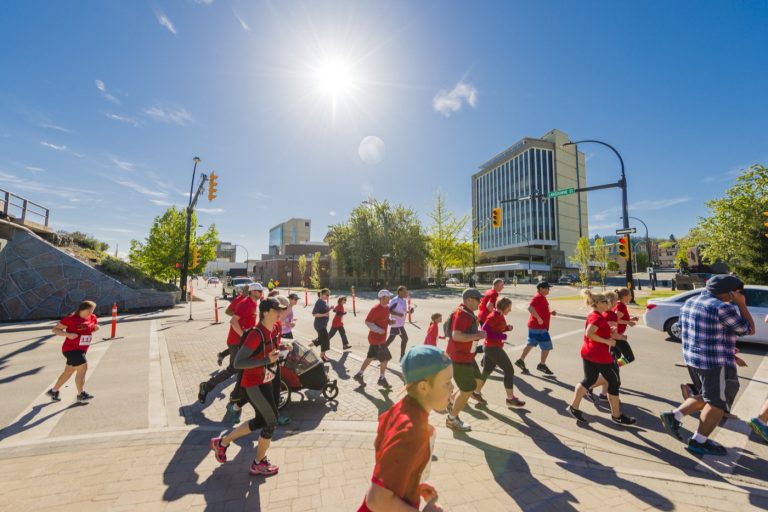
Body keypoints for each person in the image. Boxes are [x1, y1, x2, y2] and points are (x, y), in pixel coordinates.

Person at [659, 275, 754, 455]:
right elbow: (748, 329)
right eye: (737, 293)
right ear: (731, 293)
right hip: (715, 363)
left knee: (708, 396)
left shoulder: (691, 301)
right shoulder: (723, 307)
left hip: (693, 359)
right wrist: (742, 304)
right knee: (717, 403)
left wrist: (727, 348)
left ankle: (675, 416)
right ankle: (698, 441)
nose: (738, 296)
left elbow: (684, 328)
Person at [358, 345, 451, 512]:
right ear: (423, 387)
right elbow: (377, 500)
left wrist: (412, 482)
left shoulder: (400, 408)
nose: (452, 389)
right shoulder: (412, 431)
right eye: (447, 383)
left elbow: (384, 453)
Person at [209, 297, 287, 476]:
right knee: (271, 421)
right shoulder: (255, 334)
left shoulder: (273, 328)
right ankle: (258, 463)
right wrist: (267, 359)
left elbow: (266, 350)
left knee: (261, 421)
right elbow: (238, 363)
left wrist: (280, 349)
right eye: (277, 310)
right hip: (253, 384)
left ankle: (221, 443)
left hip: (266, 380)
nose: (280, 313)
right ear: (266, 312)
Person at [566, 290, 636, 426]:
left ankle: (573, 407)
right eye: (604, 301)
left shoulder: (596, 315)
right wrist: (608, 341)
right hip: (599, 355)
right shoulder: (597, 317)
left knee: (589, 380)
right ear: (597, 303)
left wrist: (611, 333)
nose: (607, 303)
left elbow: (597, 332)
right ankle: (617, 416)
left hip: (588, 352)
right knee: (614, 382)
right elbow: (589, 333)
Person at [199, 282, 263, 404]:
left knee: (243, 369)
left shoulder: (254, 303)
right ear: (253, 291)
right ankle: (206, 386)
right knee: (234, 369)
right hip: (236, 342)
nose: (261, 293)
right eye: (260, 291)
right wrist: (243, 336)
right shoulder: (245, 303)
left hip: (243, 342)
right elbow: (234, 321)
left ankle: (236, 397)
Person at [445, 288, 487, 432]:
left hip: (467, 356)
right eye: (478, 299)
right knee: (467, 390)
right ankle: (452, 420)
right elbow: (456, 336)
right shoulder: (462, 314)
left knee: (478, 380)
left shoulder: (468, 313)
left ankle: (452, 402)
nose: (480, 302)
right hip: (459, 358)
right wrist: (478, 335)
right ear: (469, 300)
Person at [474, 297, 525, 407]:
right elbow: (484, 330)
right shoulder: (494, 316)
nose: (510, 310)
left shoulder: (499, 315)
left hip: (492, 347)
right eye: (509, 308)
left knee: (486, 372)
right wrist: (501, 335)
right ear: (504, 307)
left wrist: (506, 328)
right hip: (493, 348)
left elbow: (496, 328)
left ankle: (476, 392)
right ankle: (510, 399)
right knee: (509, 371)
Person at [47, 300, 99, 403]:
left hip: (82, 349)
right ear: (83, 309)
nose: (92, 312)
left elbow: (88, 329)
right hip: (71, 349)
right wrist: (68, 335)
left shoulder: (92, 317)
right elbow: (55, 329)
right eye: (91, 310)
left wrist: (95, 328)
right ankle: (81, 394)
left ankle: (54, 391)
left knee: (68, 372)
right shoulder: (71, 319)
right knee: (83, 367)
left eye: (93, 310)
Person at [353, 289, 394, 389]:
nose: (390, 298)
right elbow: (368, 322)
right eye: (388, 297)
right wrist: (379, 330)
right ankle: (382, 379)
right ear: (383, 298)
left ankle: (359, 374)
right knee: (385, 358)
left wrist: (389, 322)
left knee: (370, 357)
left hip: (379, 339)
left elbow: (384, 318)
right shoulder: (375, 309)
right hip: (377, 339)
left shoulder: (387, 308)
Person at [515, 281, 557, 376]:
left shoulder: (542, 298)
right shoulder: (538, 297)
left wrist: (550, 313)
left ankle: (520, 360)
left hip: (535, 327)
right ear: (541, 288)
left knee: (531, 343)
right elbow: (530, 308)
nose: (548, 290)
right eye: (547, 288)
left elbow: (540, 310)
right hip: (539, 328)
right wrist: (538, 318)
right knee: (547, 346)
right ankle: (541, 365)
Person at [216, 286, 249, 366]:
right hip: (235, 331)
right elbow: (227, 311)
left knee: (238, 348)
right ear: (245, 291)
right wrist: (238, 316)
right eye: (249, 292)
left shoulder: (249, 300)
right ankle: (224, 375)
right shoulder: (238, 300)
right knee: (234, 351)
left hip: (243, 331)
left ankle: (222, 355)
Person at [612, 287, 638, 367]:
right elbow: (615, 319)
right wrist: (628, 322)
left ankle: (612, 368)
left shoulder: (618, 304)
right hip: (617, 336)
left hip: (614, 335)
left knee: (615, 357)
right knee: (629, 358)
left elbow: (619, 318)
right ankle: (612, 367)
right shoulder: (621, 306)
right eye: (630, 295)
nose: (631, 297)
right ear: (624, 296)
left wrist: (630, 319)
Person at [386, 286, 413, 360]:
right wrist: (398, 314)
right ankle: (402, 356)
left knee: (390, 340)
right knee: (405, 339)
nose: (405, 293)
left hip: (399, 323)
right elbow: (390, 310)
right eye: (404, 291)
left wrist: (409, 312)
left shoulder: (403, 300)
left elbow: (403, 310)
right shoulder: (395, 300)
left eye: (405, 291)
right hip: (397, 324)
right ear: (399, 292)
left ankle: (378, 353)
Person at [311, 288, 332, 362]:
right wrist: (325, 314)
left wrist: (329, 309)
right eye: (327, 295)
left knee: (321, 339)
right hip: (319, 325)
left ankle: (309, 346)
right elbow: (314, 314)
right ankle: (322, 356)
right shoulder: (319, 302)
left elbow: (324, 311)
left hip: (322, 325)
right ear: (322, 294)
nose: (328, 296)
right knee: (325, 340)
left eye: (329, 295)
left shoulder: (323, 301)